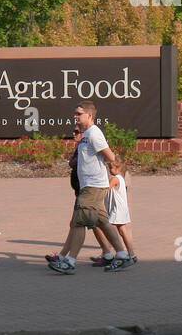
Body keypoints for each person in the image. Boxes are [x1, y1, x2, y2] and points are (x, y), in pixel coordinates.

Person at [47, 102, 134, 274]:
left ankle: (70, 262)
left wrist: (119, 176)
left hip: (93, 186)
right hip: (91, 185)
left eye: (79, 114)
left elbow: (110, 156)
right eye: (75, 113)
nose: (75, 116)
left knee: (79, 222)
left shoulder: (95, 134)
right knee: (103, 221)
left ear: (89, 116)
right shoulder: (86, 135)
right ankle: (123, 255)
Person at [104, 157, 136, 263]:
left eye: (111, 168)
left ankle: (106, 253)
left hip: (117, 209)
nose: (109, 170)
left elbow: (106, 188)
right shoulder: (121, 178)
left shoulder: (115, 179)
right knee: (122, 231)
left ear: (118, 168)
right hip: (121, 208)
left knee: (109, 229)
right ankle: (131, 253)